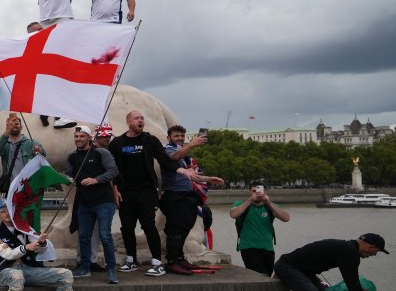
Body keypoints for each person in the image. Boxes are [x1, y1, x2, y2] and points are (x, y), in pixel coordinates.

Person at [108, 110, 195, 276]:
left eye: (142, 118)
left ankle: (157, 262)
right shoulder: (117, 143)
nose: (140, 120)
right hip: (125, 192)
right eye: (136, 118)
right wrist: (115, 191)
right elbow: (113, 170)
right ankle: (131, 260)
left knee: (148, 225)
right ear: (128, 122)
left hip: (146, 191)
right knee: (127, 227)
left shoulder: (150, 140)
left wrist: (182, 171)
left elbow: (165, 160)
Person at [0, 199, 82, 291]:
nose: (6, 213)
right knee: (17, 275)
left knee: (66, 274)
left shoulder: (25, 228)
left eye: (9, 209)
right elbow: (7, 254)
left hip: (28, 270)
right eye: (2, 211)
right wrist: (25, 247)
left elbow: (40, 250)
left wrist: (42, 242)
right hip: (7, 271)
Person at [159, 126, 225, 276]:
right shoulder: (168, 150)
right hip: (174, 195)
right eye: (176, 136)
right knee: (176, 228)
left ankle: (179, 258)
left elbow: (192, 175)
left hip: (185, 195)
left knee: (184, 227)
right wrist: (192, 144)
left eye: (182, 136)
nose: (180, 138)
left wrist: (209, 179)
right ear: (169, 138)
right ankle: (172, 261)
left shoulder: (185, 157)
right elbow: (174, 157)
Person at [66, 125, 119, 283]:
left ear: (89, 138)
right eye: (76, 137)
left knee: (105, 235)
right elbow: (68, 174)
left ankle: (111, 270)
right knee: (83, 237)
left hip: (103, 202)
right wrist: (68, 179)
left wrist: (96, 180)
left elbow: (113, 171)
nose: (78, 139)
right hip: (84, 203)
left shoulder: (101, 152)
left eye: (82, 136)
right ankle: (84, 267)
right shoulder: (72, 156)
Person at [229, 181, 290, 275]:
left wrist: (269, 203)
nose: (256, 193)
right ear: (250, 191)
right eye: (254, 191)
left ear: (265, 192)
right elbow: (233, 214)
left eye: (259, 190)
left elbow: (286, 218)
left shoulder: (270, 207)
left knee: (267, 276)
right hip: (248, 248)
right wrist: (250, 200)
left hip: (268, 248)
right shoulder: (241, 204)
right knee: (260, 275)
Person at [0, 113, 42, 194]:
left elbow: (43, 155)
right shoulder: (5, 144)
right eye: (11, 124)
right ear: (7, 127)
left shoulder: (30, 143)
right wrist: (7, 132)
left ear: (21, 127)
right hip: (11, 186)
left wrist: (39, 151)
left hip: (27, 185)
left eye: (16, 124)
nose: (14, 126)